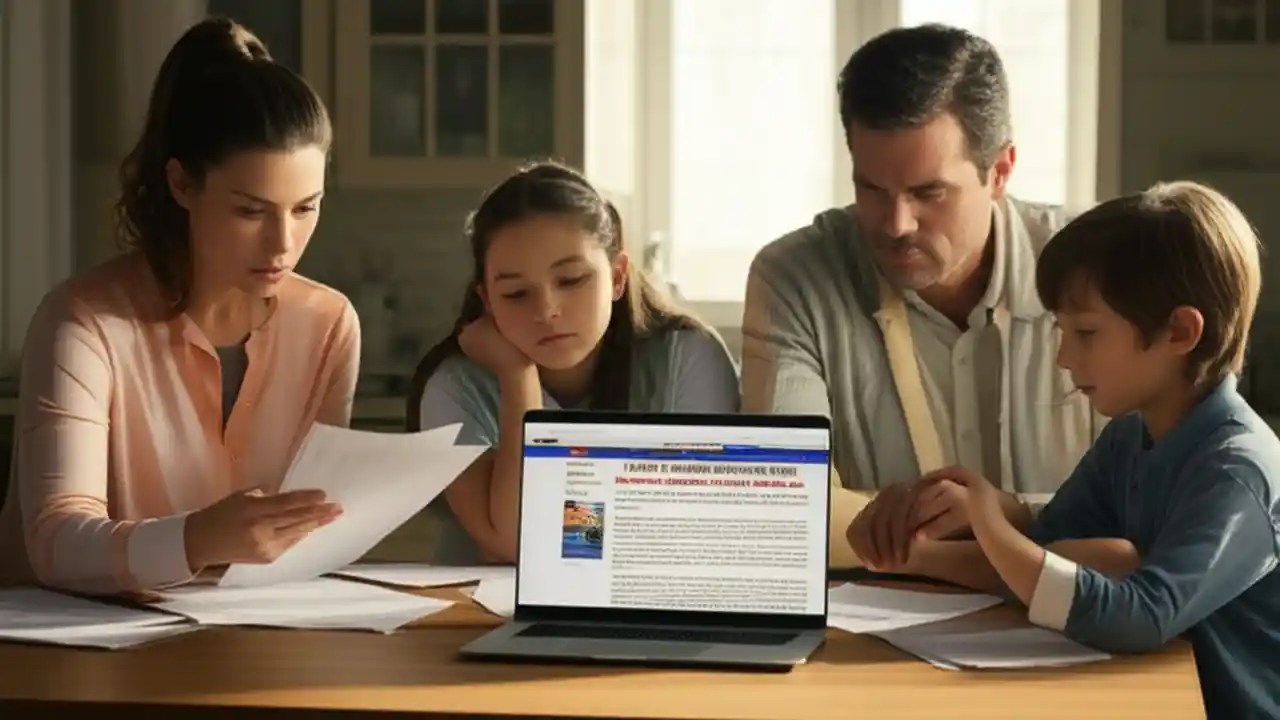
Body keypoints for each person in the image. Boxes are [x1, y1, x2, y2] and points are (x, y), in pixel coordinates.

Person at [881, 181, 1279, 719]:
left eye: (1087, 332)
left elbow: (1141, 618)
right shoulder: (1130, 437)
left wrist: (990, 523)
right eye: (1061, 331)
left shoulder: (1239, 472)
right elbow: (1048, 552)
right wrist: (917, 558)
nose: (1065, 357)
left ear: (1180, 332)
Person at [0, 18, 359, 594]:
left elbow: (316, 525)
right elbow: (54, 539)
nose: (283, 244)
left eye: (305, 208)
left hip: (257, 640)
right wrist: (195, 540)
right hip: (75, 655)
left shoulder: (328, 324)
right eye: (250, 211)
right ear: (182, 185)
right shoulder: (84, 322)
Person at [739, 24, 1101, 567]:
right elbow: (784, 507)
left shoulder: (1099, 267)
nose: (897, 224)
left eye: (928, 193)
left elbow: (1157, 506)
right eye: (871, 190)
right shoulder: (791, 278)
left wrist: (1003, 514)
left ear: (1000, 170)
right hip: (870, 635)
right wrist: (1025, 531)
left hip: (1092, 625)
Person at [408, 162, 739, 564]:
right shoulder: (453, 387)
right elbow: (516, 544)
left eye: (571, 280)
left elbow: (688, 531)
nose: (547, 310)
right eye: (515, 293)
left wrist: (560, 522)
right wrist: (518, 378)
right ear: (487, 299)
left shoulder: (688, 359)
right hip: (472, 621)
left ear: (617, 277)